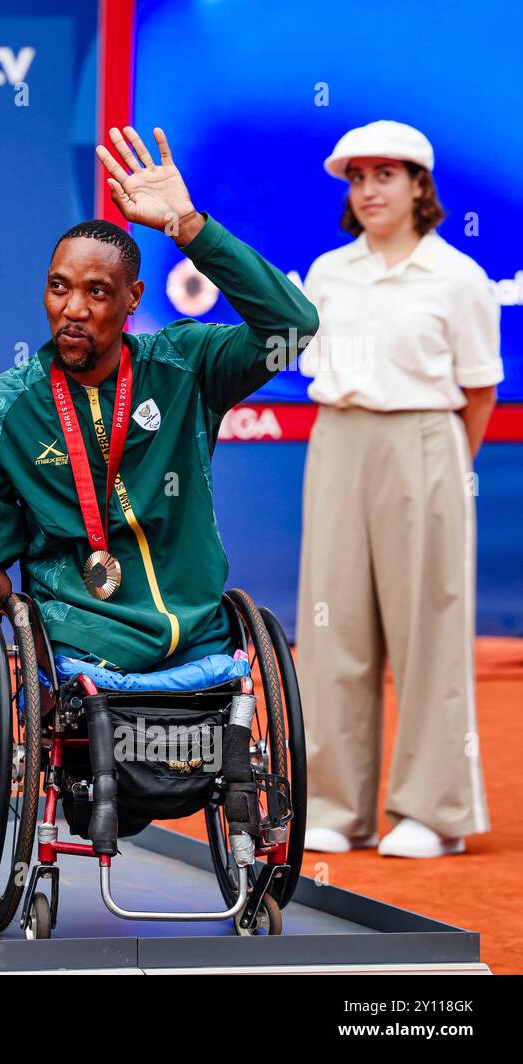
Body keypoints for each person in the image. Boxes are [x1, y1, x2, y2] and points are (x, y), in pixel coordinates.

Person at [0, 126, 318, 675]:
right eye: (60, 287)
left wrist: (189, 228)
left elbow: (293, 326)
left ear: (133, 299)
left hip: (200, 632)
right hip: (84, 641)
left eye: (97, 291)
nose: (74, 308)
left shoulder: (186, 366)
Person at [296, 120, 500, 859]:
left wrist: (438, 466)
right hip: (338, 440)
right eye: (357, 177)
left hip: (426, 442)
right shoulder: (326, 273)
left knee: (430, 628)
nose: (368, 189)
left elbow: (477, 391)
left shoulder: (459, 278)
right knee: (331, 628)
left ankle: (434, 812)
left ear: (421, 185)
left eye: (386, 174)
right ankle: (334, 805)